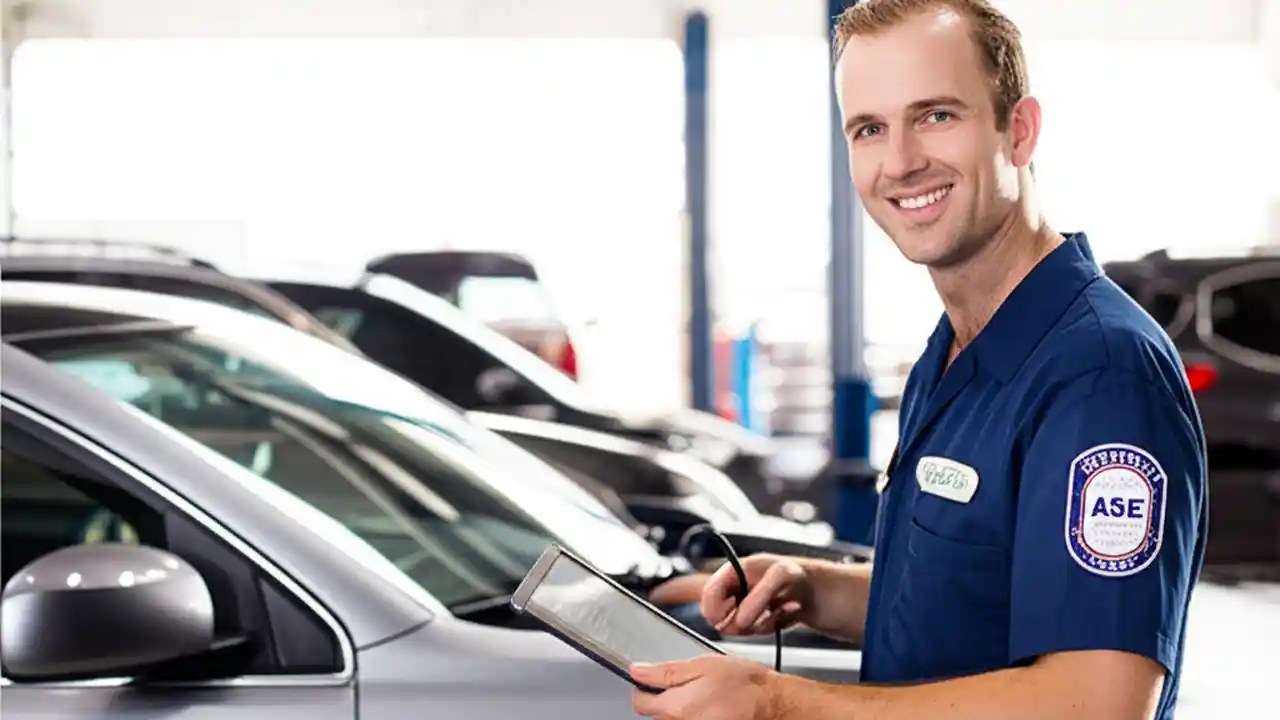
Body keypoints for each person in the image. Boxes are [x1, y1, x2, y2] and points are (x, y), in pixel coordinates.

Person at [630, 1, 1208, 718]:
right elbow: (960, 590)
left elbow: (1096, 701)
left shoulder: (1099, 375)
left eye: (936, 115)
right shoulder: (955, 349)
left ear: (1018, 131)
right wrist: (809, 586)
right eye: (870, 129)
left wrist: (778, 704)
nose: (900, 162)